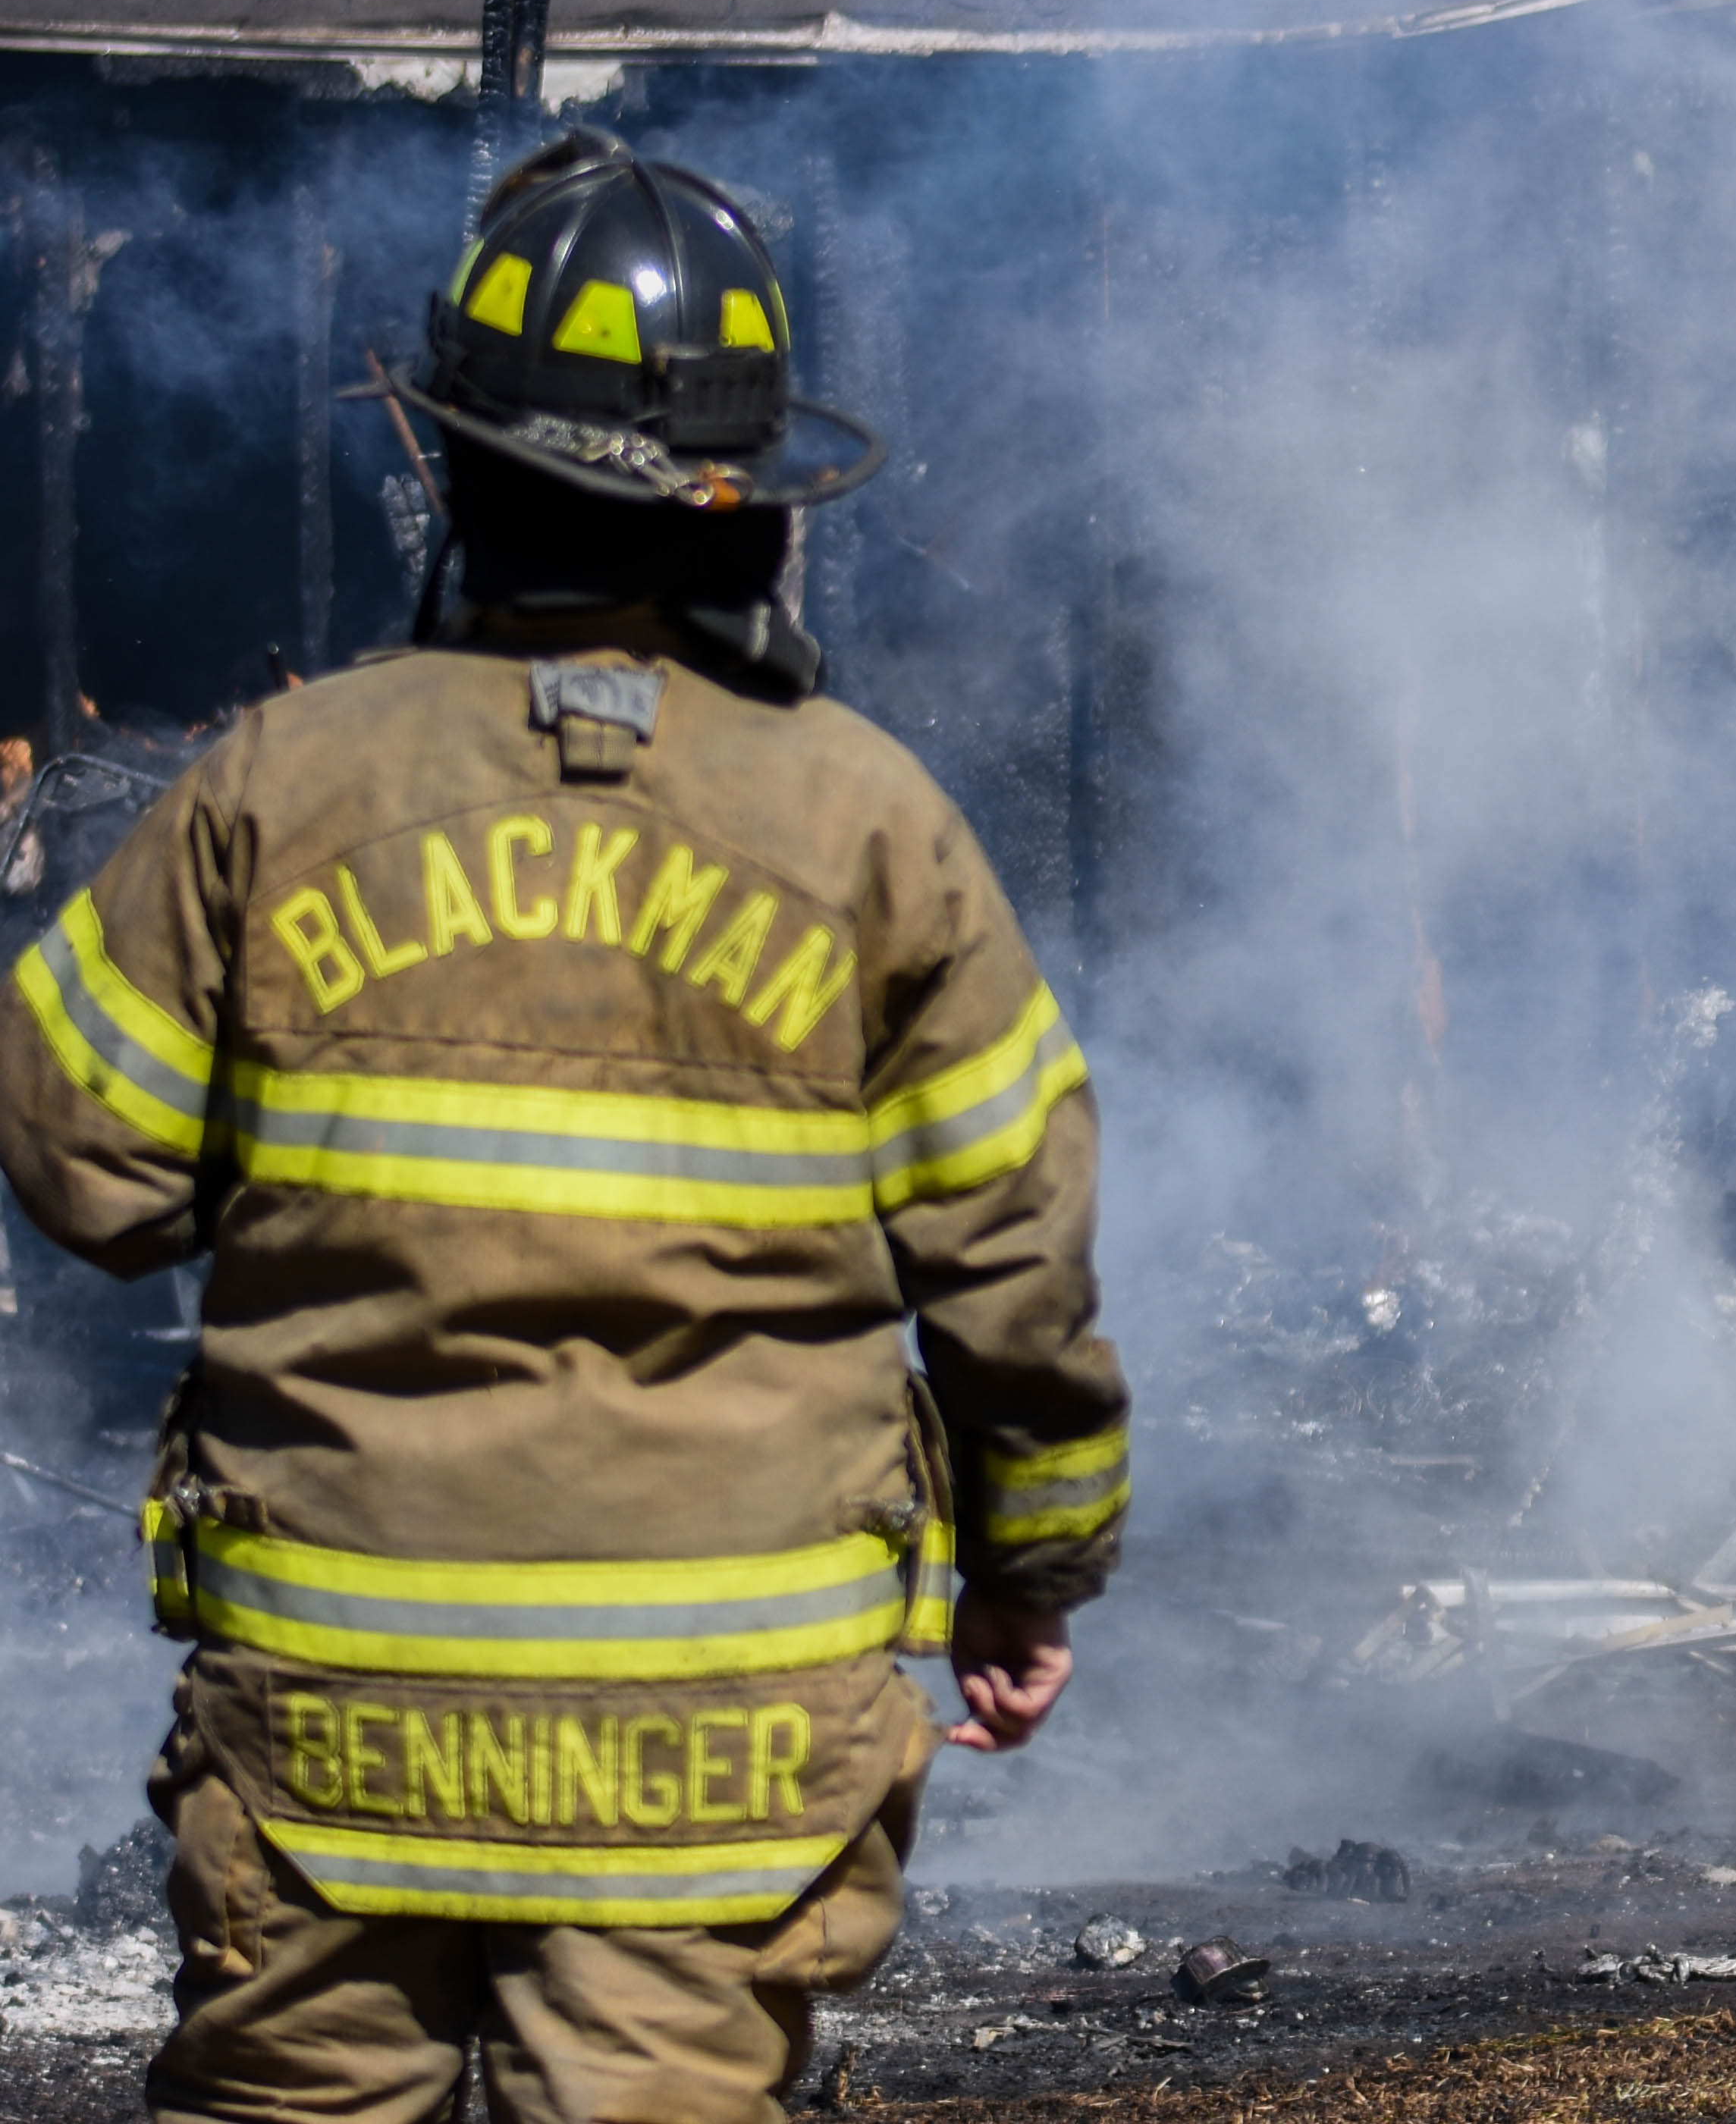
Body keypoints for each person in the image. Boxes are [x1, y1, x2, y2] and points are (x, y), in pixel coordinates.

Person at [0, 136, 1130, 2124]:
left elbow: (82, 1164)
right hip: (716, 1768)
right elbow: (1015, 1277)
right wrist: (1029, 1573)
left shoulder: (274, 786)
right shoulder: (872, 825)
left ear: (456, 469)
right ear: (746, 505)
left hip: (336, 1739)